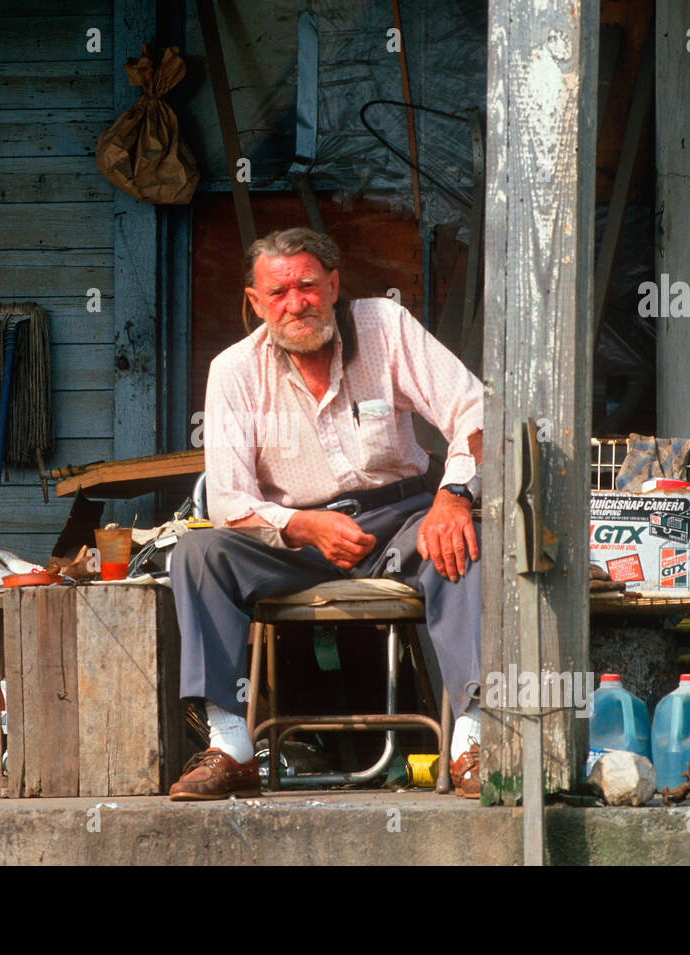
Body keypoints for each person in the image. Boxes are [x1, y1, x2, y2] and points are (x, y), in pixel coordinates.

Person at [168, 227, 485, 800]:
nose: (296, 304)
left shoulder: (383, 327)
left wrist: (454, 494)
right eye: (279, 293)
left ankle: (474, 741)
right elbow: (229, 501)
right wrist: (301, 526)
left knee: (462, 541)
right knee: (197, 553)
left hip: (404, 519)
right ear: (254, 301)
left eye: (308, 286)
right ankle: (231, 745)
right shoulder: (234, 370)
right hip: (296, 543)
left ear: (333, 284)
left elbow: (474, 410)